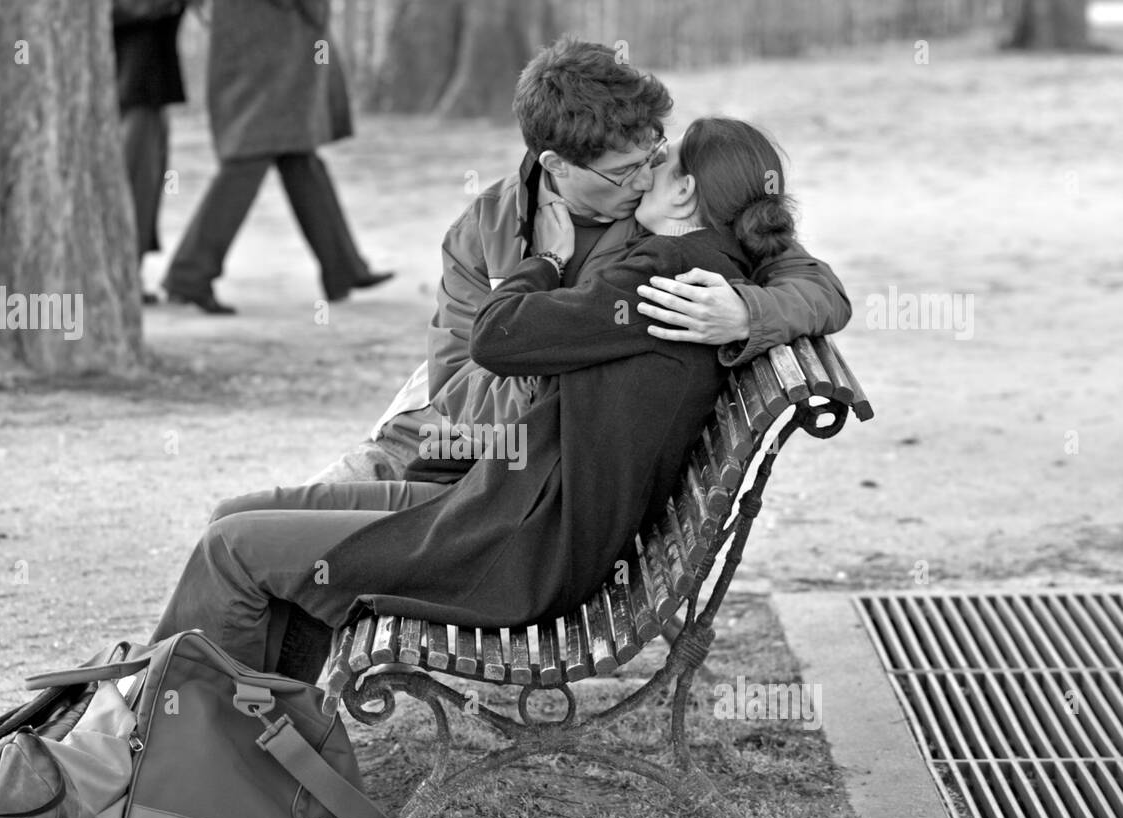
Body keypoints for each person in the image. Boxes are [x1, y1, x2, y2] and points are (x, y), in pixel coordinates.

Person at [147, 113, 812, 684]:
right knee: (236, 521)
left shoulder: (664, 272)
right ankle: (226, 747)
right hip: (506, 508)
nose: (646, 172)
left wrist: (545, 261)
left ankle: (175, 759)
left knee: (234, 547)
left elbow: (498, 337)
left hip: (513, 549)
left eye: (659, 162)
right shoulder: (708, 269)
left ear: (687, 188)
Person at [304, 38, 850, 486]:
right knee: (275, 522)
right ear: (557, 165)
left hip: (538, 473)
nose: (645, 180)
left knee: (289, 545)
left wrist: (747, 316)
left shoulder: (675, 210)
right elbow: (456, 386)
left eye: (652, 155)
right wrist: (552, 326)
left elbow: (819, 288)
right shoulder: (486, 226)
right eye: (624, 171)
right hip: (446, 439)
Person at [161, 0, 391, 313]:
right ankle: (189, 274)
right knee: (250, 155)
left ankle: (344, 267)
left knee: (298, 159)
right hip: (272, 42)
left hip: (267, 37)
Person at [113, 2, 188, 304]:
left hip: (147, 82)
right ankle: (123, 273)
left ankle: (128, 271)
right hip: (133, 82)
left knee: (147, 185)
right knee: (134, 185)